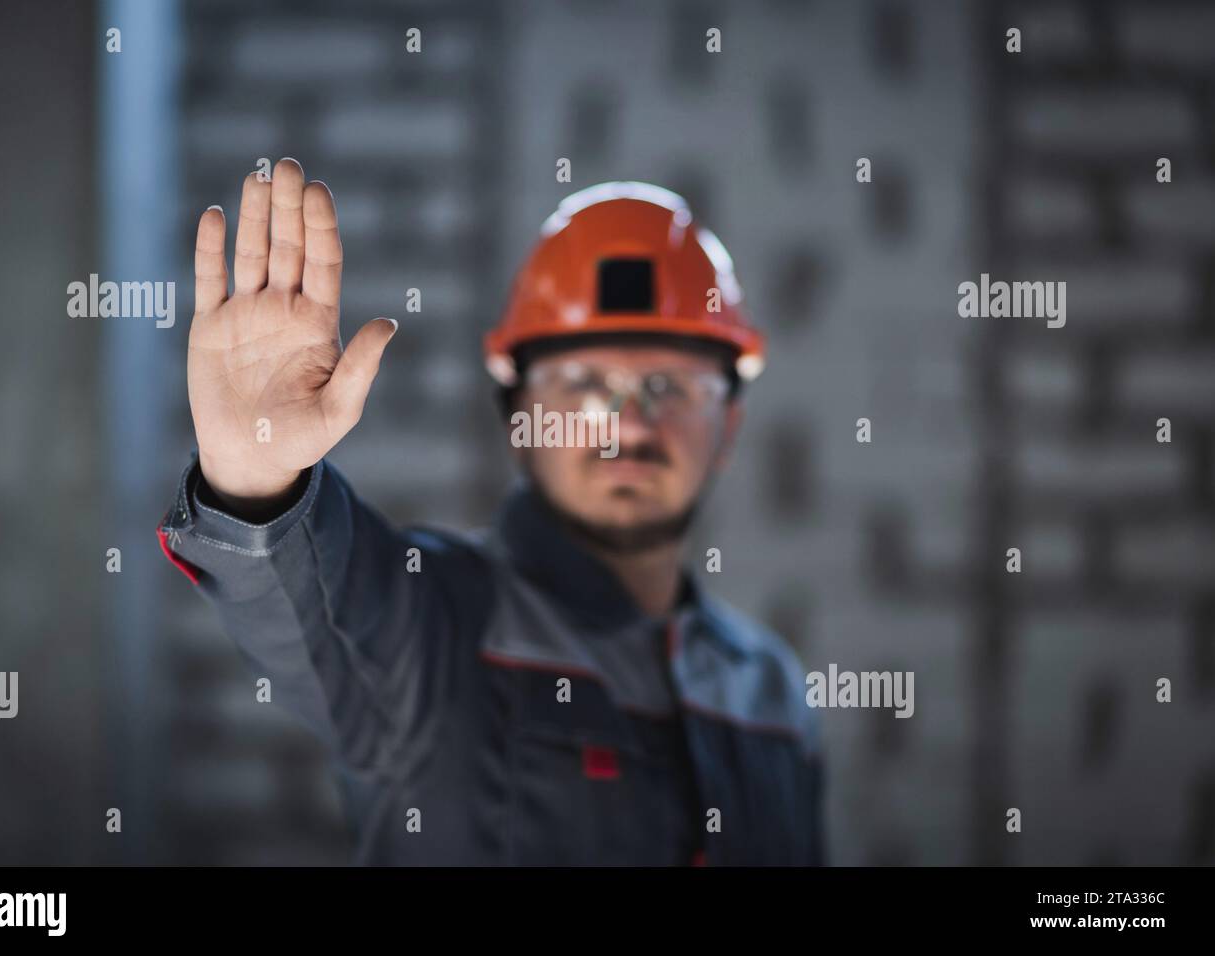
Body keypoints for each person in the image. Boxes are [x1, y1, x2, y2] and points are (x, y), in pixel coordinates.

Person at [158, 158, 824, 865]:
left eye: (673, 387)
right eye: (583, 385)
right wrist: (256, 475)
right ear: (518, 419)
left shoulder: (770, 690)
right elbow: (307, 604)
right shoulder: (432, 621)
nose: (628, 426)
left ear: (731, 425)